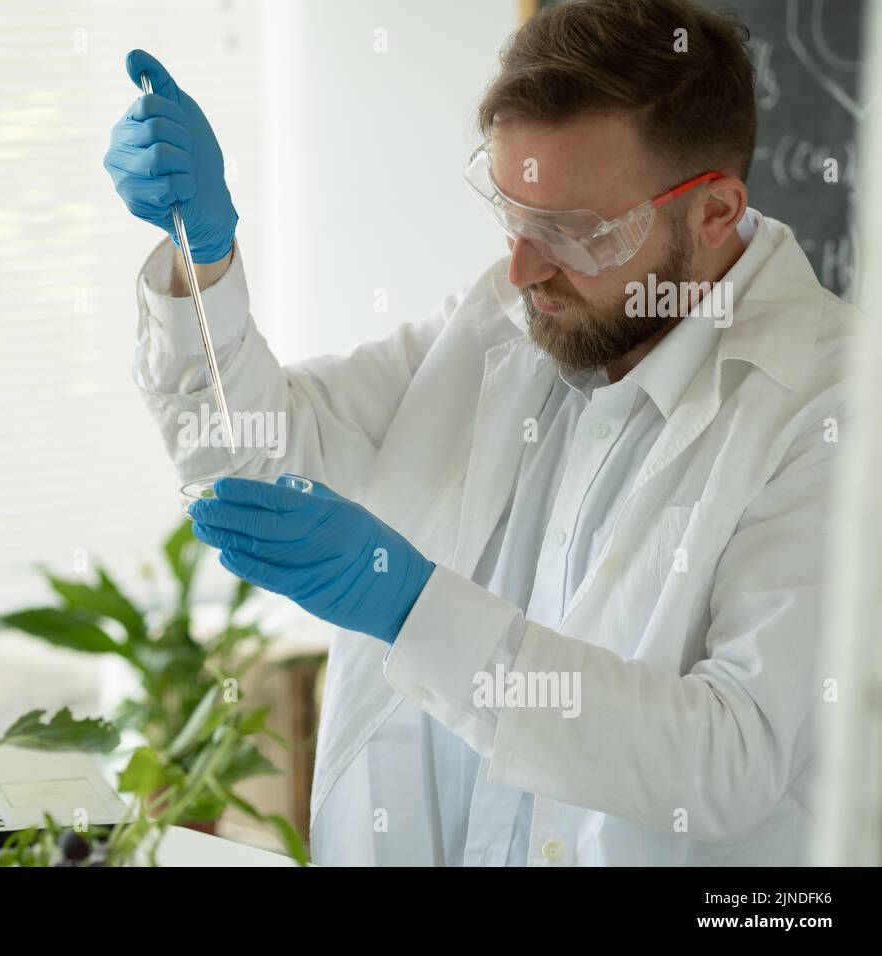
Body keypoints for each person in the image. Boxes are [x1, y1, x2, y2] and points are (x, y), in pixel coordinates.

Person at [103, 0, 853, 865]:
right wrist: (200, 261)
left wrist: (417, 610)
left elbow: (731, 760)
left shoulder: (832, 405)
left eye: (573, 232)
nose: (523, 268)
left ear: (715, 211)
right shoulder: (505, 316)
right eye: (512, 213)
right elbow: (250, 454)